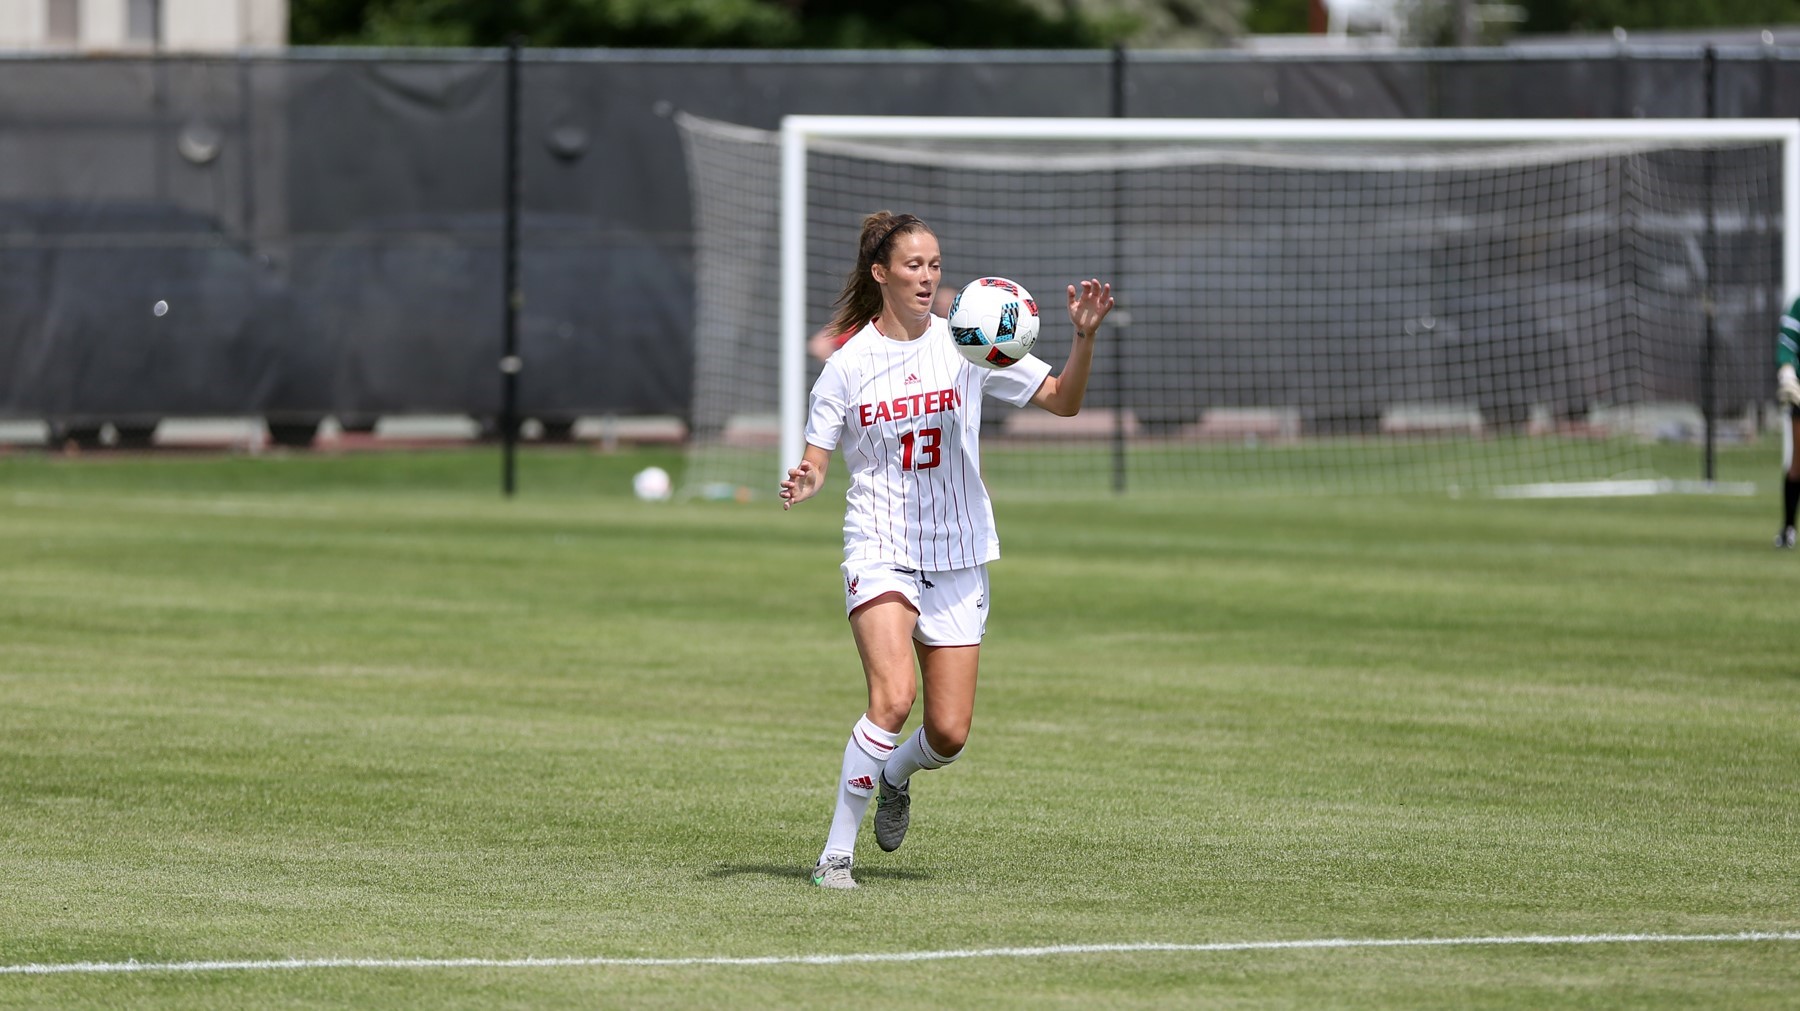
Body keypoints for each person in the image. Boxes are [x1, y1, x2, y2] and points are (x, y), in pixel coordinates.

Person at [779, 210, 1114, 889]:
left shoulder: (970, 341)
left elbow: (1063, 400)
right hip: (879, 544)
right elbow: (816, 457)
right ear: (881, 273)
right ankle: (836, 856)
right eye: (914, 265)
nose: (928, 276)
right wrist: (806, 478)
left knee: (949, 733)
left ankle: (896, 774)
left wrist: (1083, 339)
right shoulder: (846, 366)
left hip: (959, 550)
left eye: (934, 264)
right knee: (892, 697)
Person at [808, 284, 957, 362]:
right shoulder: (872, 322)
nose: (944, 309)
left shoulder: (948, 336)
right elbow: (819, 345)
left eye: (949, 305)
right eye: (940, 304)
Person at [1776, 293, 1800, 548]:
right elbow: (1787, 344)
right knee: (1798, 463)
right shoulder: (1799, 305)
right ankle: (1788, 528)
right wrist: (1787, 372)